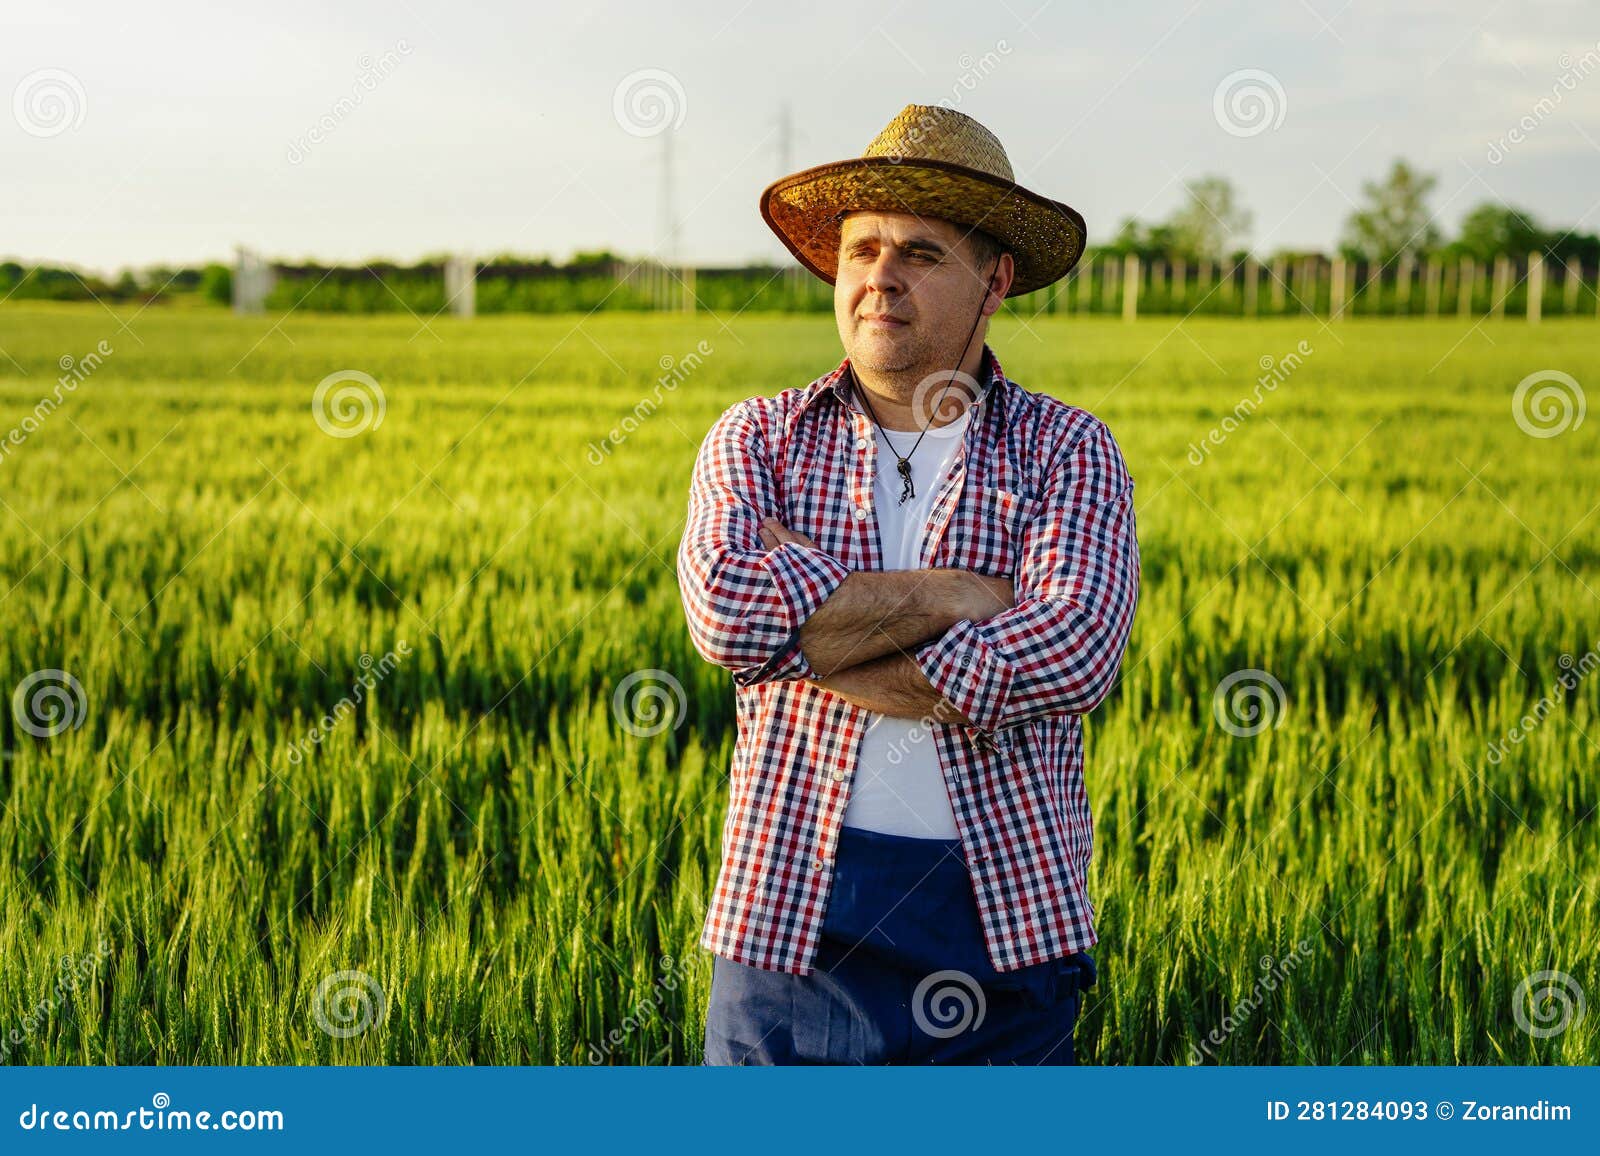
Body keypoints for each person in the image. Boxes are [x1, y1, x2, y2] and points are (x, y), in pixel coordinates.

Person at [676, 103, 1140, 1064]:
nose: (880, 278)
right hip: (787, 914)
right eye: (862, 251)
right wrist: (967, 596)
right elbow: (727, 616)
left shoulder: (1069, 449)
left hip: (1002, 921)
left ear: (994, 279)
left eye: (921, 254)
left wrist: (804, 630)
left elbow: (1073, 650)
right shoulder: (755, 436)